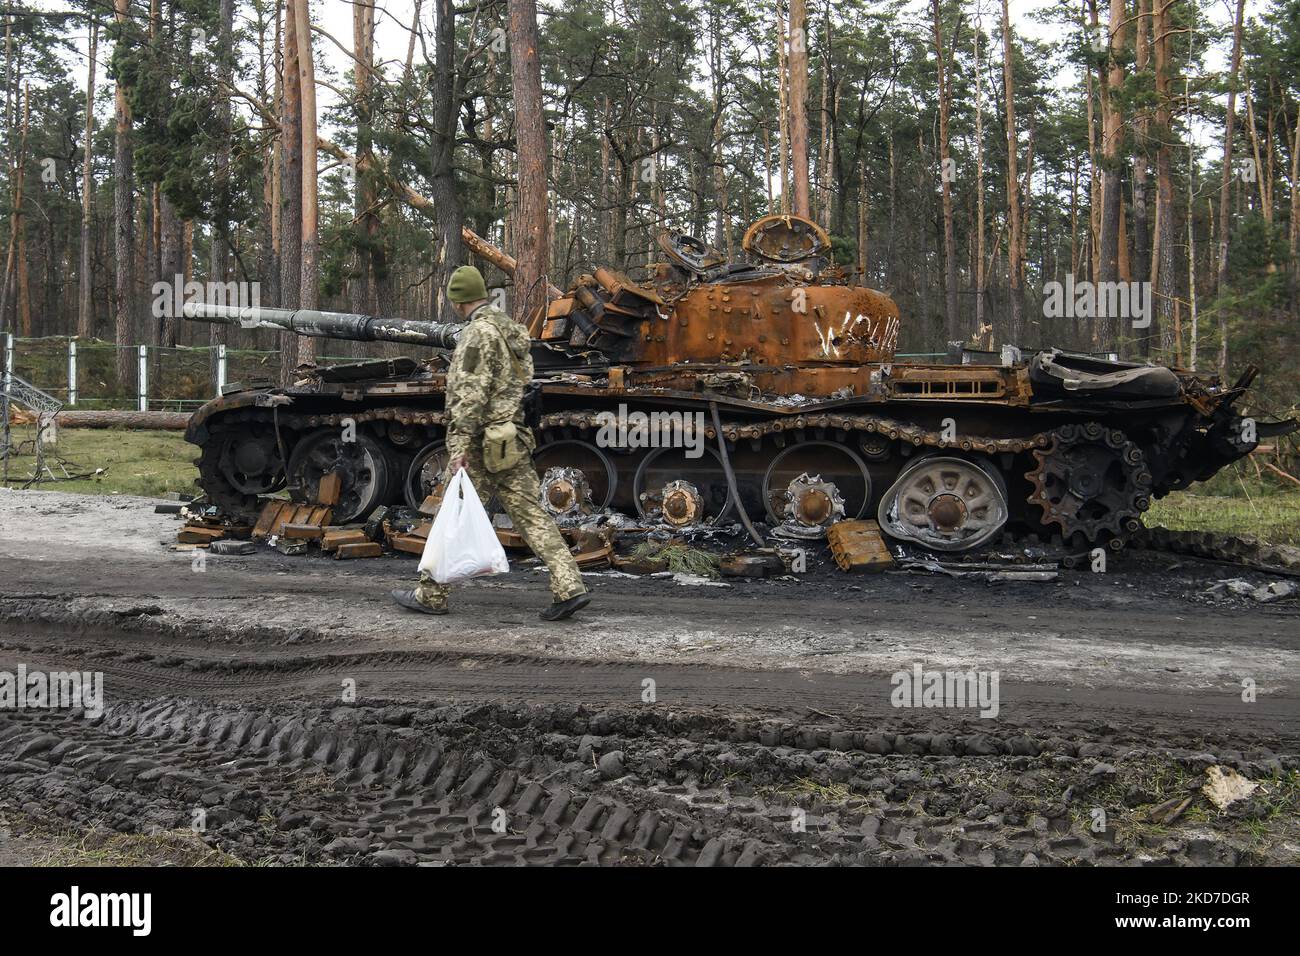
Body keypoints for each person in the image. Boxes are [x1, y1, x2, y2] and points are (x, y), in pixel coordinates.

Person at [391, 266, 591, 621]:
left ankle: (431, 594)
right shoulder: (509, 331)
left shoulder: (476, 335)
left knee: (453, 514)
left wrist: (459, 448)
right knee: (532, 516)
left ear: (458, 301)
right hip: (512, 438)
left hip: (482, 445)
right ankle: (569, 585)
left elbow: (470, 394)